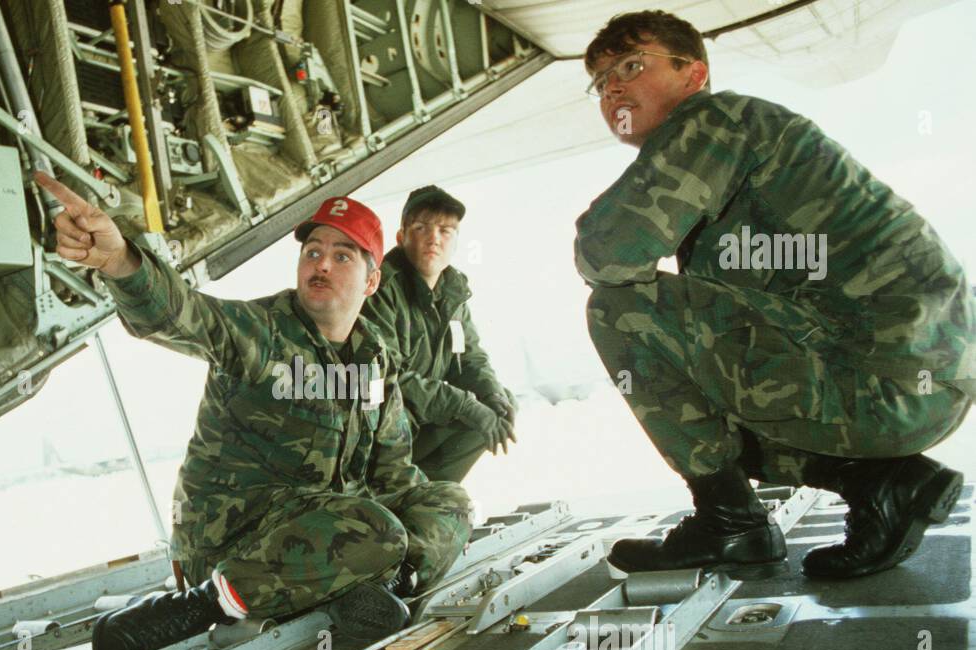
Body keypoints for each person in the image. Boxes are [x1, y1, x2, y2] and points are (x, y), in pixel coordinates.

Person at [575, 11, 974, 580]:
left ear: (693, 75)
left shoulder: (712, 120)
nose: (612, 87)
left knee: (620, 310)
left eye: (632, 65)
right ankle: (880, 484)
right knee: (700, 401)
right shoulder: (733, 141)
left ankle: (730, 523)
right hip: (909, 383)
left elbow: (607, 255)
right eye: (600, 81)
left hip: (875, 370)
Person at [34, 172, 472, 650]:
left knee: (449, 499)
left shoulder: (374, 359)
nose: (321, 264)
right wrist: (119, 261)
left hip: (323, 530)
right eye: (313, 252)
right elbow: (179, 315)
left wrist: (419, 523)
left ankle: (387, 588)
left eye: (342, 256)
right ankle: (196, 607)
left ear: (371, 281)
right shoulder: (259, 331)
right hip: (236, 539)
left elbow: (394, 474)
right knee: (378, 531)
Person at [362, 185, 516, 483]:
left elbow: (470, 357)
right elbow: (386, 379)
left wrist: (492, 396)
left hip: (420, 421)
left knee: (498, 407)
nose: (434, 238)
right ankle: (396, 492)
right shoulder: (380, 288)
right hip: (383, 425)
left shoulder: (452, 293)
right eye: (421, 228)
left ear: (456, 242)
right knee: (470, 411)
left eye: (445, 231)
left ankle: (426, 494)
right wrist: (463, 405)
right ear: (401, 236)